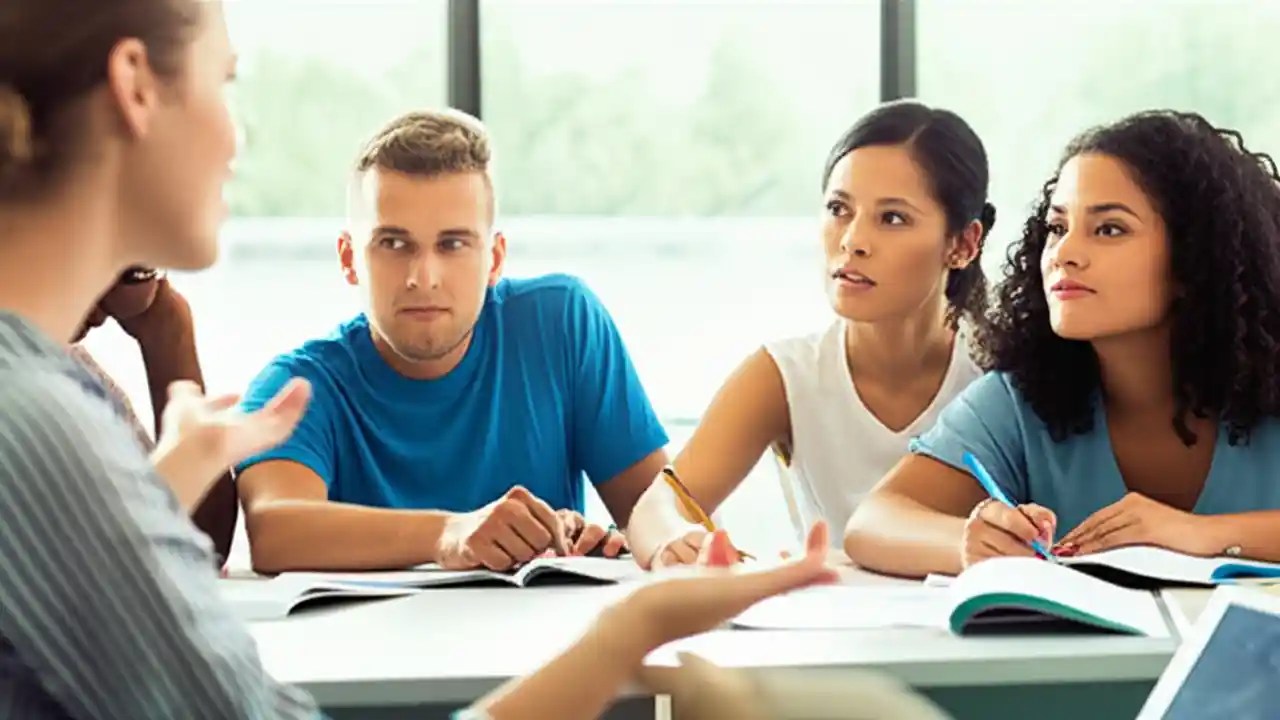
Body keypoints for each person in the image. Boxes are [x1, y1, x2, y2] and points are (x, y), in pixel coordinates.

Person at [0, 1, 839, 717]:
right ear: (136, 86)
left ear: (495, 253)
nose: (236, 137)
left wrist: (159, 483)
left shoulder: (52, 402)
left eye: (454, 243)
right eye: (226, 81)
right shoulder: (43, 424)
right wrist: (627, 635)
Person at [844, 110, 1280, 578]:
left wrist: (1201, 536)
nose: (1063, 254)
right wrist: (970, 542)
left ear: (1195, 258)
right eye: (1057, 228)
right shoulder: (1020, 400)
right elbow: (874, 522)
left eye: (1109, 229)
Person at [235, 110, 668, 574]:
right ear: (349, 259)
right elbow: (273, 530)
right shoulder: (296, 387)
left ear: (494, 258)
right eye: (394, 244)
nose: (424, 278)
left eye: (453, 244)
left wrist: (619, 542)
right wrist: (448, 534)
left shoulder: (563, 322)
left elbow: (676, 517)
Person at [627, 100, 991, 568]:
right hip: (827, 627)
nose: (852, 241)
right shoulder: (786, 375)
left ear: (962, 244)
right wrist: (675, 540)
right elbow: (660, 505)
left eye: (892, 218)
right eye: (839, 209)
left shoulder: (998, 376)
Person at [71, 265, 238, 564]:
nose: (103, 313)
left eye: (138, 273)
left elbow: (203, 546)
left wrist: (168, 337)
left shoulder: (76, 367)